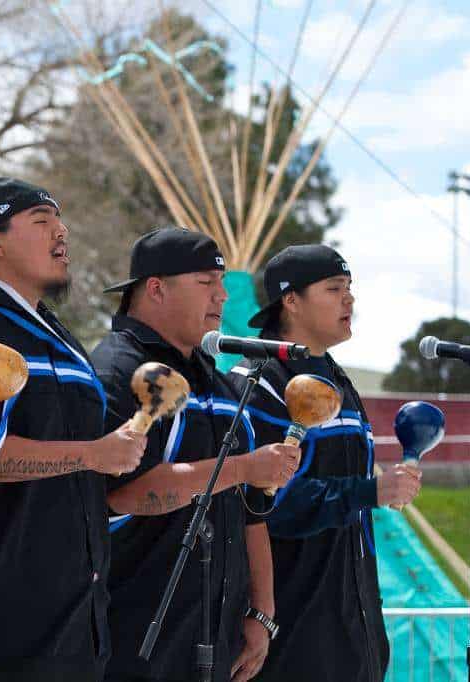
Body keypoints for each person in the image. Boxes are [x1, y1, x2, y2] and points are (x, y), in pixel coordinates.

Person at [0, 177, 147, 682]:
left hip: (75, 624)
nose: (61, 232)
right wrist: (92, 455)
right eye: (42, 221)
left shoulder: (56, 334)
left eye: (59, 220)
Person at [90, 227, 301, 682]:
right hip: (135, 640)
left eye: (221, 284)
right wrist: (243, 466)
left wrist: (262, 612)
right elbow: (122, 497)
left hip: (218, 639)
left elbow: (251, 511)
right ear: (156, 288)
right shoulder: (116, 371)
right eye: (206, 283)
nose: (223, 296)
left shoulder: (218, 382)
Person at [229, 244, 420, 682]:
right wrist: (371, 491)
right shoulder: (258, 380)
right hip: (292, 624)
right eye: (334, 288)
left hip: (355, 620)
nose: (349, 299)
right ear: (290, 300)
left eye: (350, 288)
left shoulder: (339, 379)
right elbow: (264, 504)